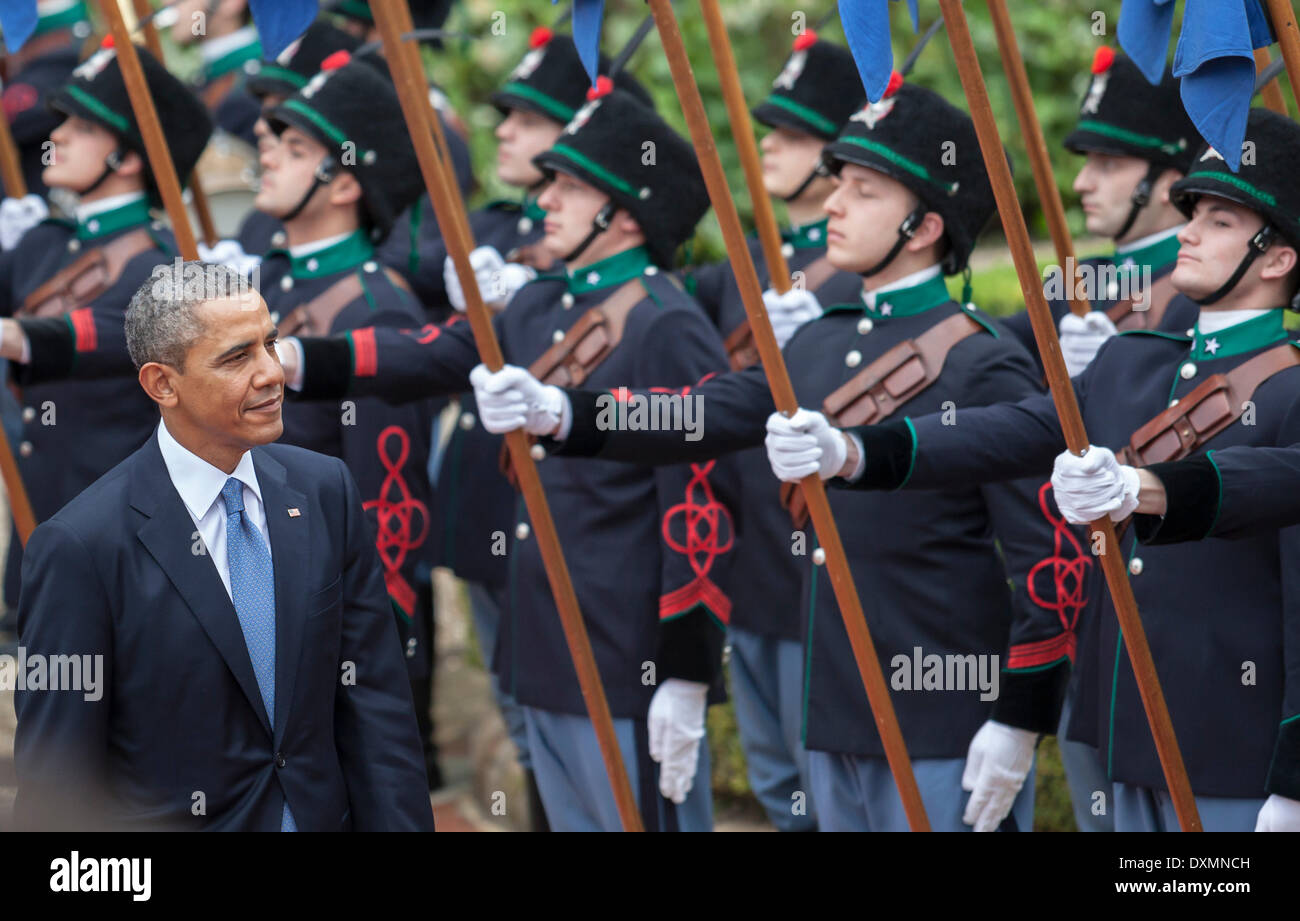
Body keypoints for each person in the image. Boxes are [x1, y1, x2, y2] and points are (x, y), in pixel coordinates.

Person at [470, 79, 1081, 832]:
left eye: (862, 191)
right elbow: (705, 413)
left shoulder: (980, 360)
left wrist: (1018, 717)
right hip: (833, 709)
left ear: (924, 225)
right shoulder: (822, 339)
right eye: (836, 185)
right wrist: (564, 412)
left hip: (942, 715)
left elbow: (1046, 558)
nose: (832, 204)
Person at [796, 107, 1300, 832]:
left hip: (1236, 753)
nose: (1186, 229)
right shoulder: (1133, 360)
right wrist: (856, 451)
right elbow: (1011, 431)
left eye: (1219, 221)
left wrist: (1294, 776)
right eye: (1194, 213)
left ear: (1278, 257)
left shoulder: (1288, 389)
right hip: (1125, 730)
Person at [280, 85, 738, 831]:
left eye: (571, 187)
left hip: (624, 653)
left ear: (623, 215)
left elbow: (699, 501)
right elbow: (426, 354)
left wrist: (685, 666)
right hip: (544, 640)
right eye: (551, 181)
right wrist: (298, 356)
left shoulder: (666, 323)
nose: (546, 199)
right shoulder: (538, 306)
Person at [13, 263, 435, 831]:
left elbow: (376, 708)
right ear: (162, 383)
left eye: (271, 343)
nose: (271, 373)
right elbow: (58, 787)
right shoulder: (80, 547)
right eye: (237, 358)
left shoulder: (324, 490)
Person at [676, 29, 868, 833]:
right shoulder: (752, 258)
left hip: (819, 565)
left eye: (792, 136)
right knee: (774, 780)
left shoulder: (865, 268)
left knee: (830, 788)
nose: (768, 148)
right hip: (746, 554)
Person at [251, 51, 443, 788]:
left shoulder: (377, 305)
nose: (268, 154)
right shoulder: (262, 281)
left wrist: (370, 646)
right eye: (273, 141)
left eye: (296, 149)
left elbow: (387, 505)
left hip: (318, 614)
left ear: (349, 183)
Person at [0, 40, 211, 631]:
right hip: (38, 523)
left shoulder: (163, 270)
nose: (56, 135)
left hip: (122, 537)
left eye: (81, 126)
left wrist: (17, 335)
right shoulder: (42, 242)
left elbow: (99, 336)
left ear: (128, 158)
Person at [1001, 48, 1202, 380]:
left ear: (1170, 184)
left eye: (1108, 165)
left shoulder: (1202, 293)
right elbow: (988, 359)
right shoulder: (1076, 280)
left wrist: (1116, 371)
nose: (1081, 183)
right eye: (1087, 162)